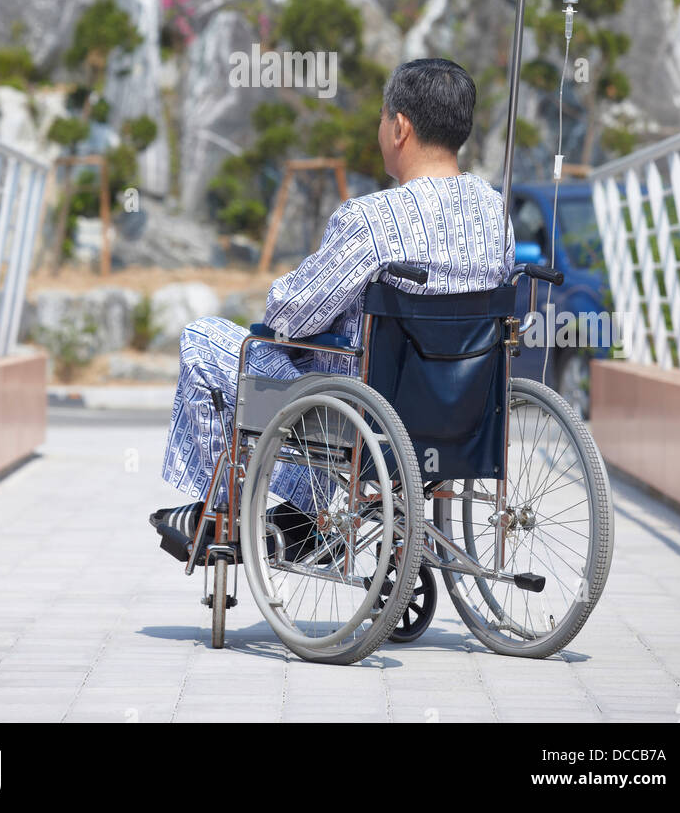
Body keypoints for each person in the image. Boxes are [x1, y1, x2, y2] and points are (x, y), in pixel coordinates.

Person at [150, 57, 515, 560]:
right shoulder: (495, 213)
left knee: (205, 338)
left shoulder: (372, 217)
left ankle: (237, 514)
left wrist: (279, 300)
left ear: (401, 127)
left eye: (384, 119)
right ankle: (299, 509)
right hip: (463, 412)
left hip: (361, 412)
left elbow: (293, 318)